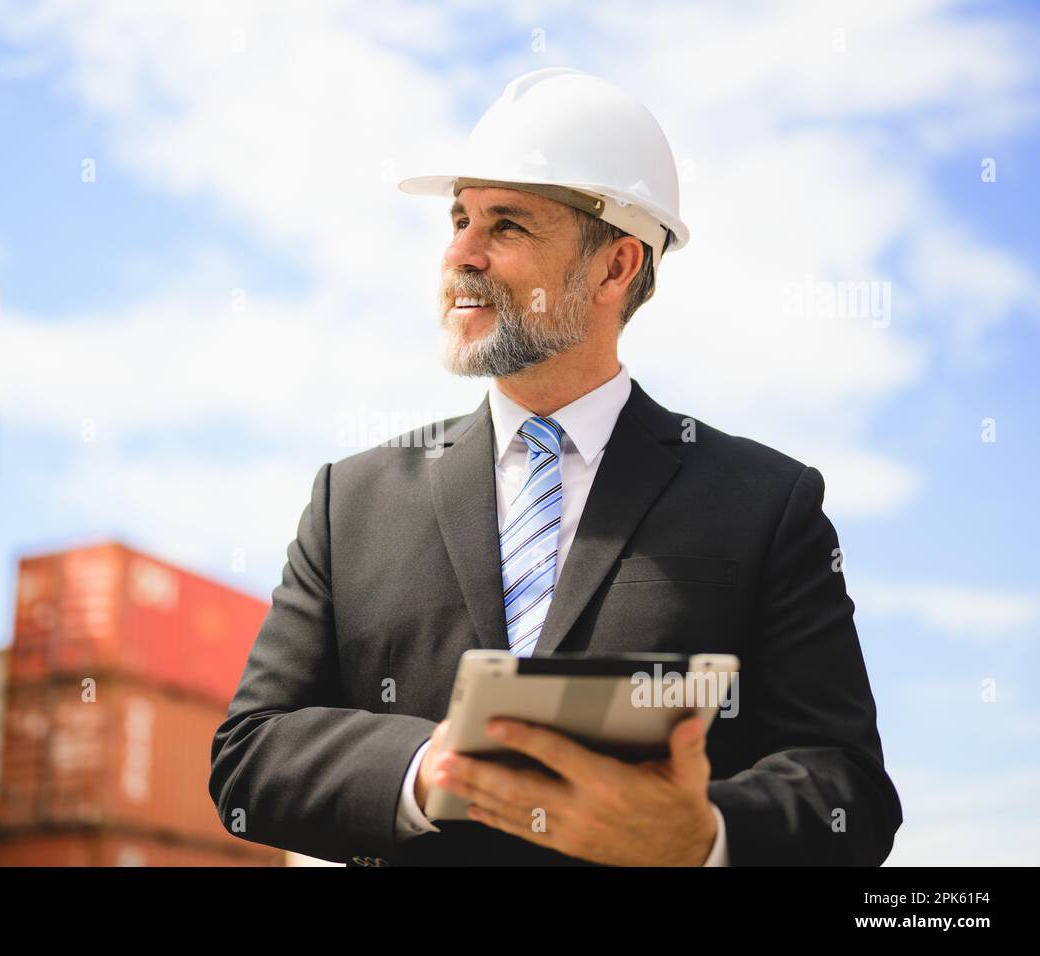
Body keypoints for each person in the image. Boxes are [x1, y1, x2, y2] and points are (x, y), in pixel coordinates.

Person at [208, 68, 902, 866]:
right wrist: (427, 769)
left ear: (615, 268)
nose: (459, 253)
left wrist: (704, 836)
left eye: (506, 226)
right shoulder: (351, 502)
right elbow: (247, 758)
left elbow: (848, 786)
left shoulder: (766, 504)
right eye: (459, 217)